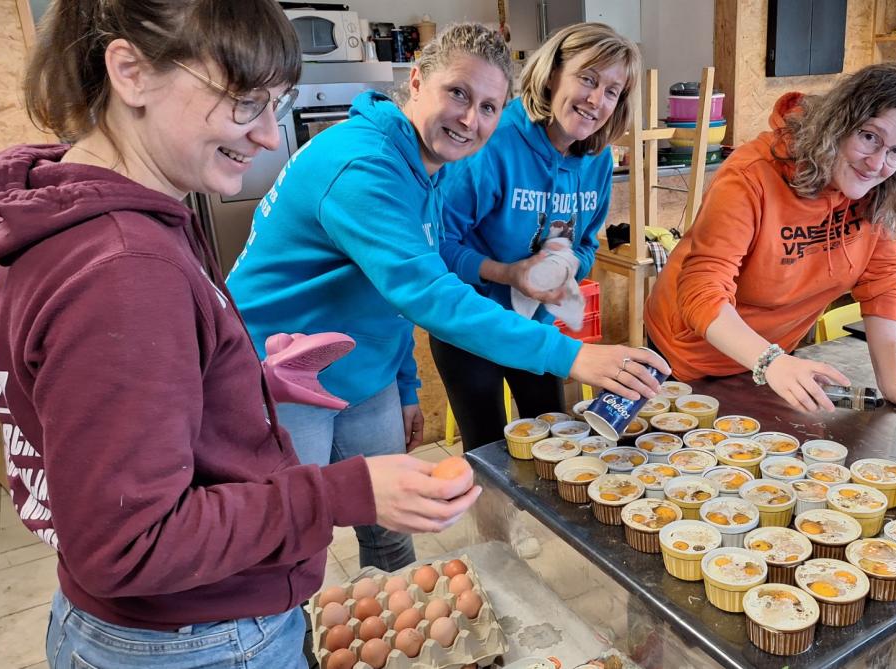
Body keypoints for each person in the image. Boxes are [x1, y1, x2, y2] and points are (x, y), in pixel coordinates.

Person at [0, 1, 481, 667]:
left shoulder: (87, 215)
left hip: (151, 625)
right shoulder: (124, 270)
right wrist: (347, 490)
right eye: (246, 103)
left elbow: (107, 415)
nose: (271, 138)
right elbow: (128, 542)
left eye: (276, 106)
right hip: (192, 640)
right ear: (131, 72)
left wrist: (239, 378)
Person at [226, 23, 667, 571]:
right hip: (281, 378)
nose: (470, 119)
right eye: (458, 93)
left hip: (364, 375)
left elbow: (391, 295)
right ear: (416, 81)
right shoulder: (365, 164)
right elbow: (429, 292)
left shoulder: (429, 168)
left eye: (488, 107)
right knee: (292, 553)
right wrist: (574, 355)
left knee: (391, 533)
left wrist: (404, 384)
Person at [644, 63, 896, 412]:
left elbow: (882, 284)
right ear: (839, 123)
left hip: (773, 361)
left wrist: (893, 385)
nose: (877, 164)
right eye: (869, 137)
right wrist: (770, 361)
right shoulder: (751, 175)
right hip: (689, 359)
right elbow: (702, 291)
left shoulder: (886, 189)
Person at [434, 23, 640, 450]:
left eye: (611, 91)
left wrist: (566, 266)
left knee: (554, 442)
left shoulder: (598, 159)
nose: (595, 100)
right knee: (488, 452)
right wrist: (509, 274)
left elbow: (588, 243)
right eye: (587, 79)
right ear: (552, 75)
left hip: (537, 327)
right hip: (470, 323)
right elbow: (438, 246)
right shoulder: (494, 141)